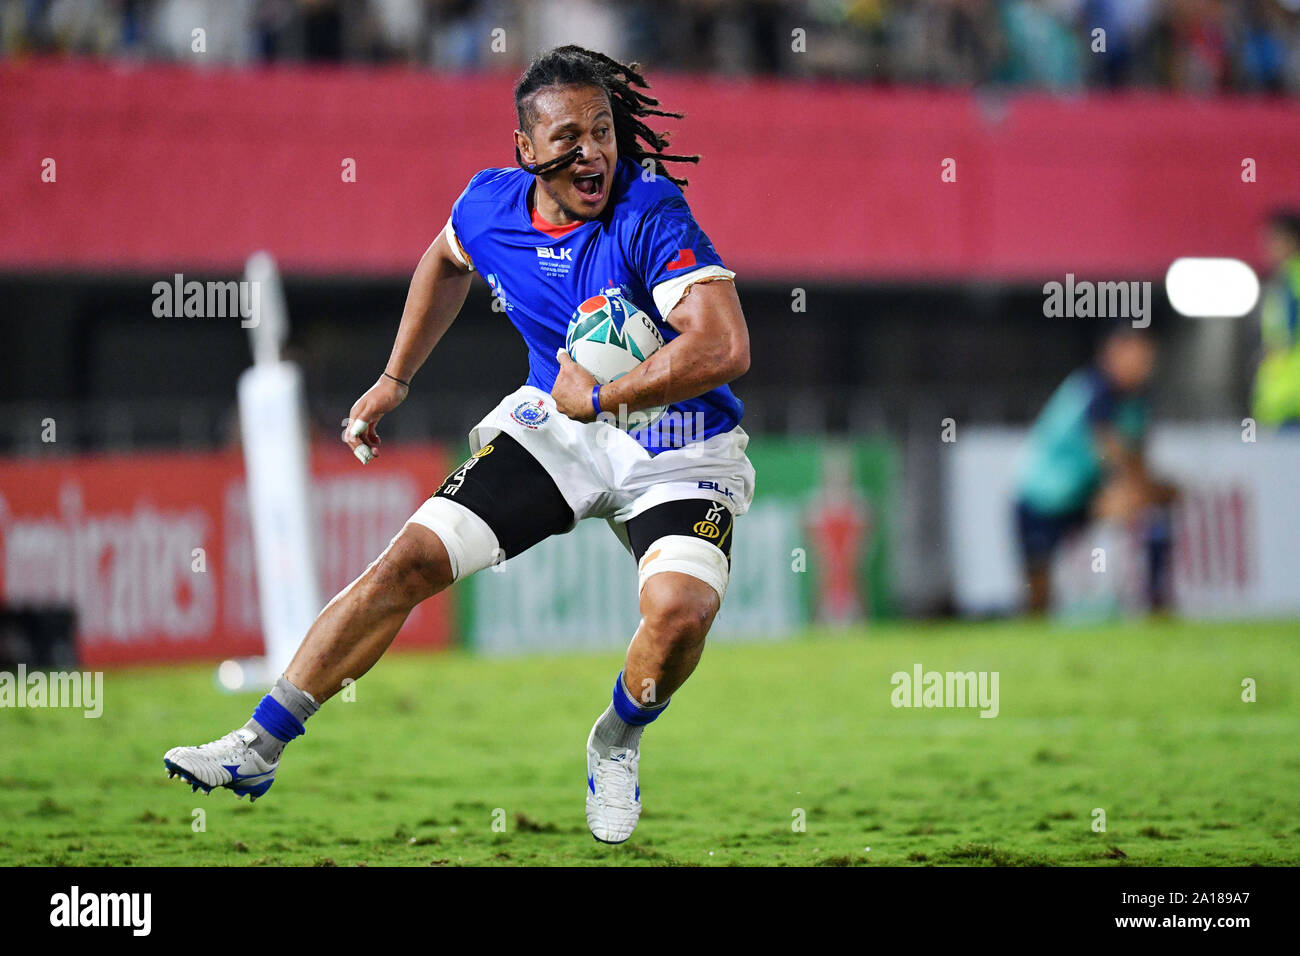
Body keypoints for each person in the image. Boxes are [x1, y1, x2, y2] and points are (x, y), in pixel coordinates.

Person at [163, 46, 754, 846]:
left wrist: (609, 392)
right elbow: (444, 261)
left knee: (679, 615)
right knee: (406, 561)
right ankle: (258, 744)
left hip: (682, 443)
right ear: (524, 150)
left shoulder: (651, 213)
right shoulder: (487, 208)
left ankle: (617, 737)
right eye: (569, 137)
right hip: (559, 428)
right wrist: (394, 380)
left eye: (605, 131)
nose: (594, 153)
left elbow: (724, 347)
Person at [1014, 326, 1175, 614]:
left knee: (1153, 511)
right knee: (1037, 595)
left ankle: (1156, 602)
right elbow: (1107, 449)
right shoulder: (1094, 387)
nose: (1143, 365)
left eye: (1146, 357)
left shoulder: (1138, 401)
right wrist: (1132, 488)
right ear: (1112, 353)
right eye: (1135, 355)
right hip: (1044, 497)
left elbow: (1136, 458)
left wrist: (1149, 489)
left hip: (1086, 495)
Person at [1251, 209, 1300, 428]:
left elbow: (1281, 341)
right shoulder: (1283, 281)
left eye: (1273, 240)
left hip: (1291, 402)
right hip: (1284, 403)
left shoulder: (1291, 282)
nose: (1267, 247)